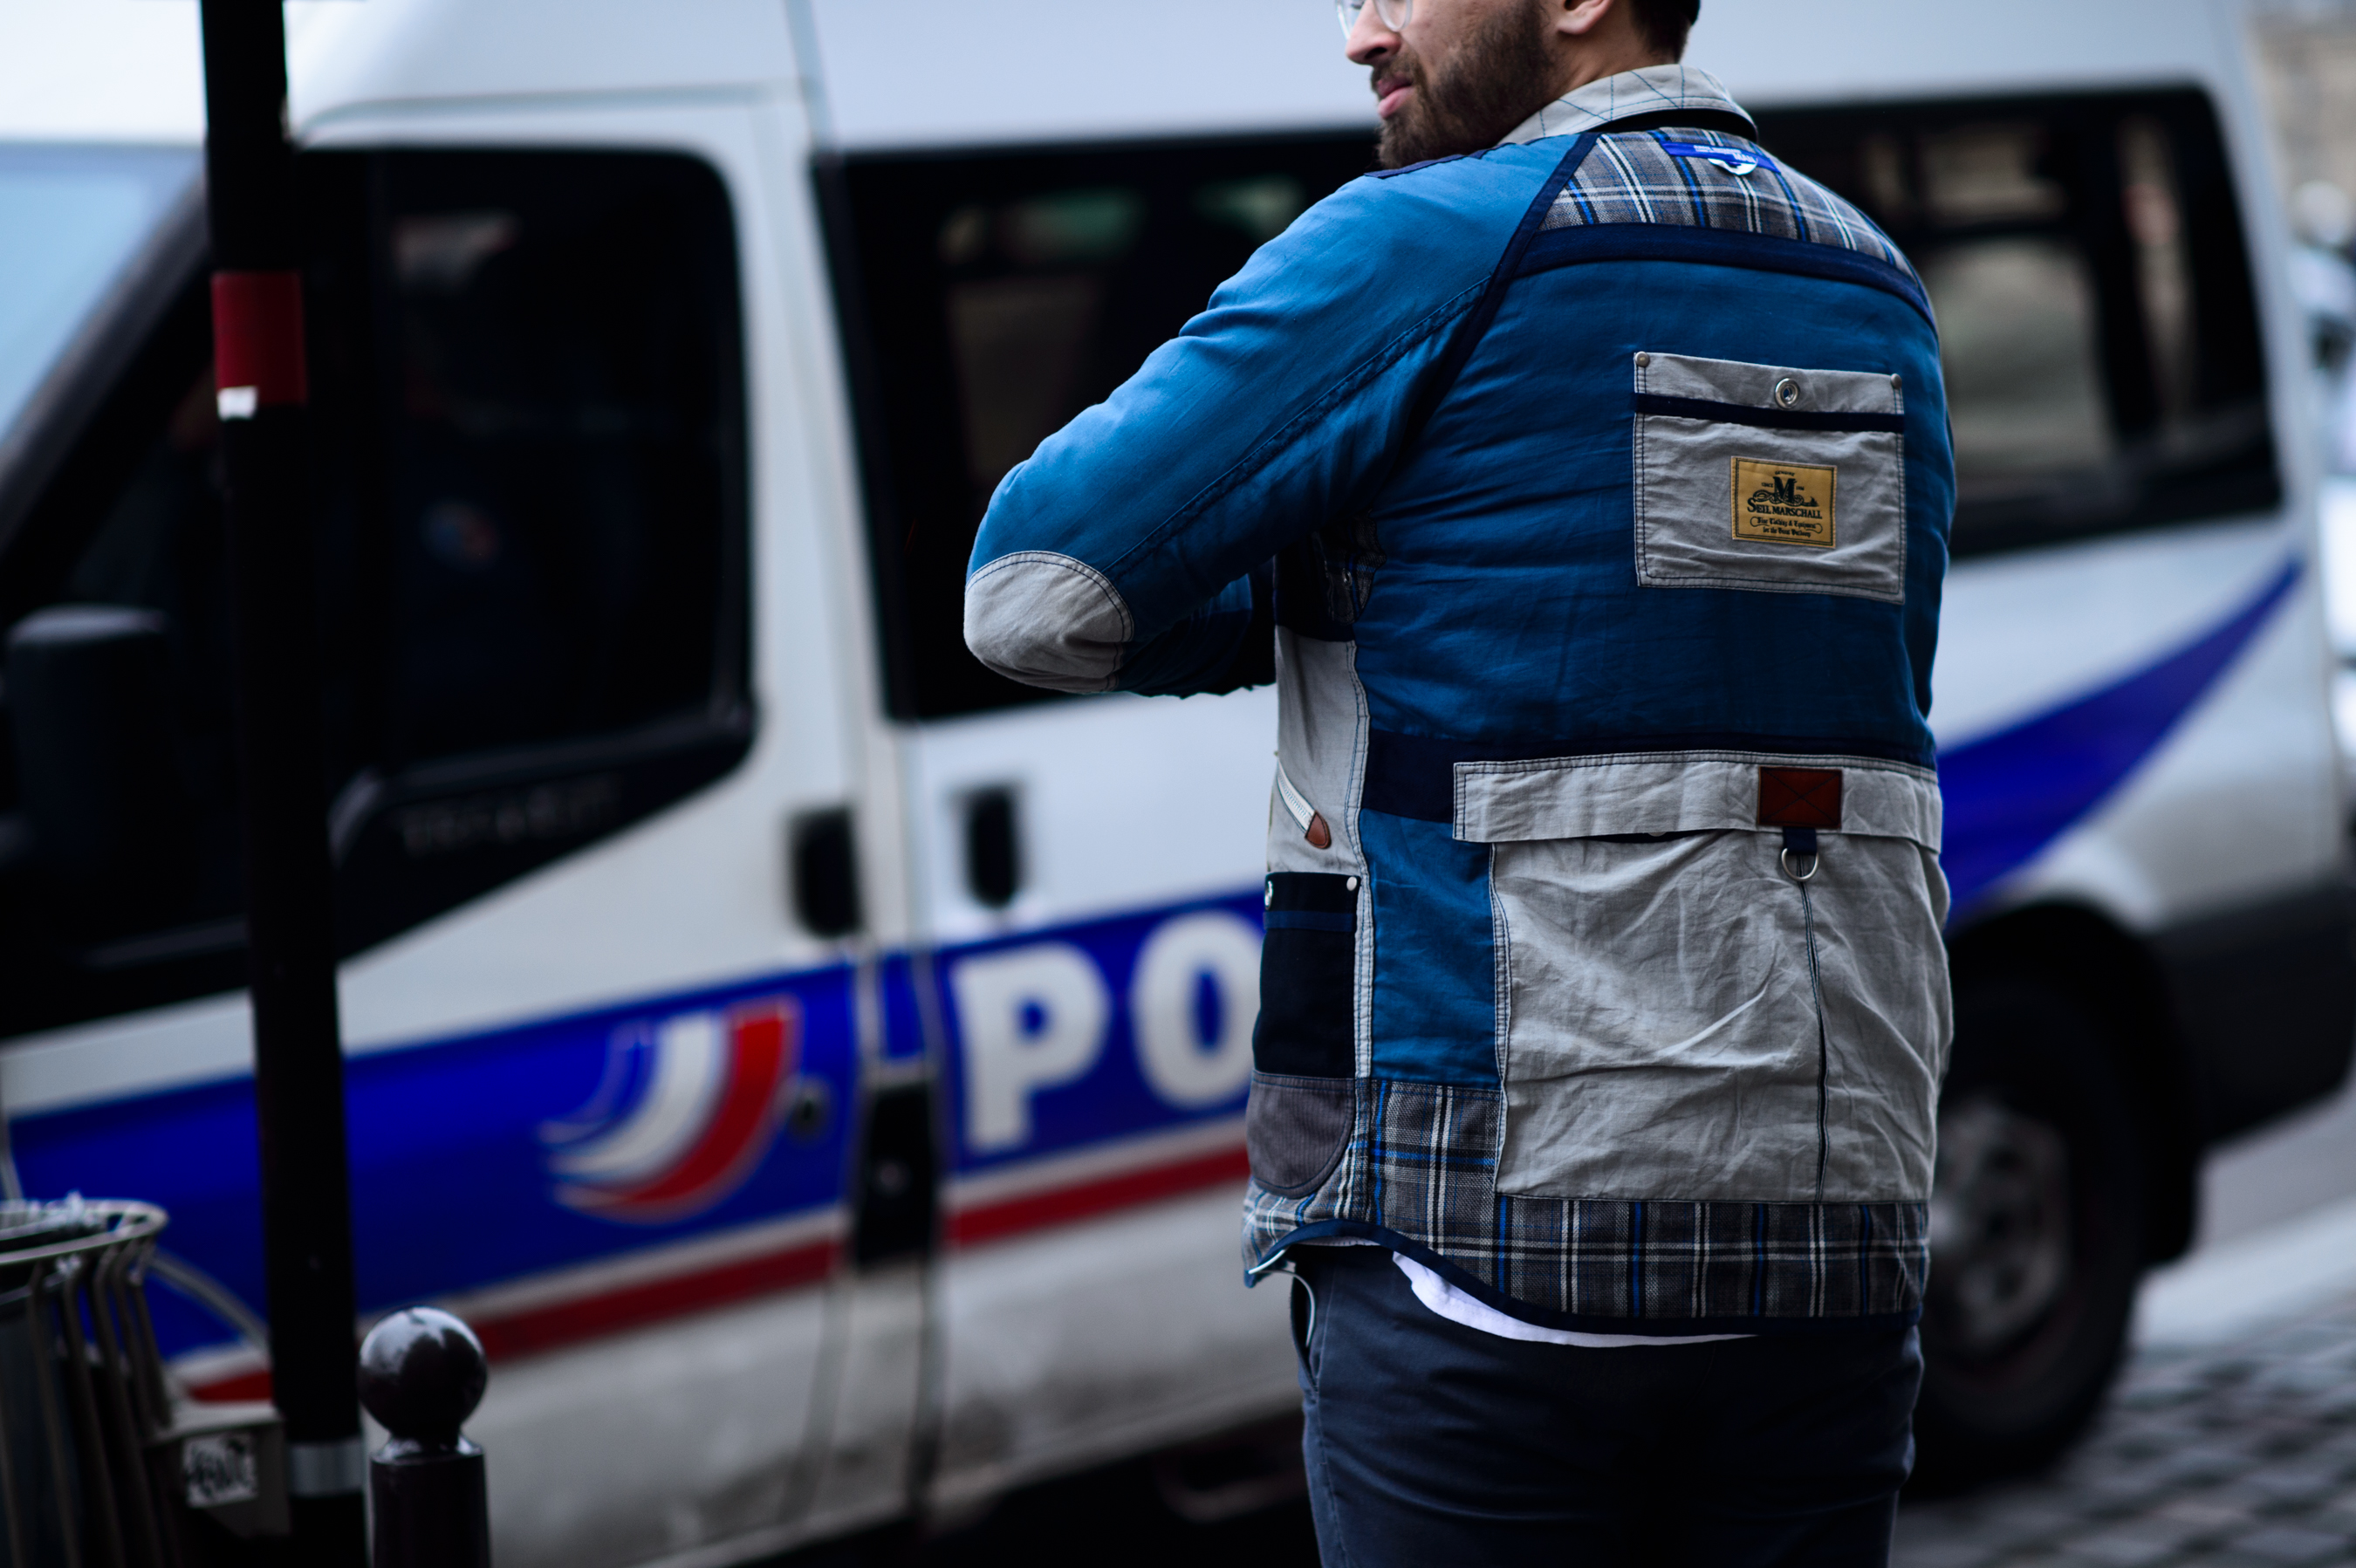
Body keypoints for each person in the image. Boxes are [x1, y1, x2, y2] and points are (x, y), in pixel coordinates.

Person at [963, 0, 1954, 1562]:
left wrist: (1332, 536)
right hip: (1831, 1252)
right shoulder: (1875, 282)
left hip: (1483, 1260)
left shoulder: (1426, 242)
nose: (1359, 34)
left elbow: (1033, 586)